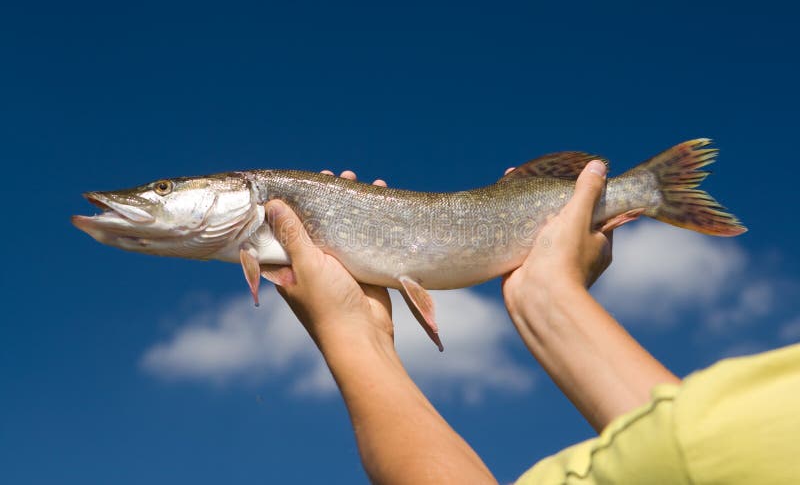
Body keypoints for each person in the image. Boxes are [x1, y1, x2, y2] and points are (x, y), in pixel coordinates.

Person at [262, 161, 800, 484]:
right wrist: (546, 291)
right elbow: (681, 444)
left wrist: (355, 335)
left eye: (170, 189)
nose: (170, 193)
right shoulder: (744, 422)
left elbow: (686, 448)